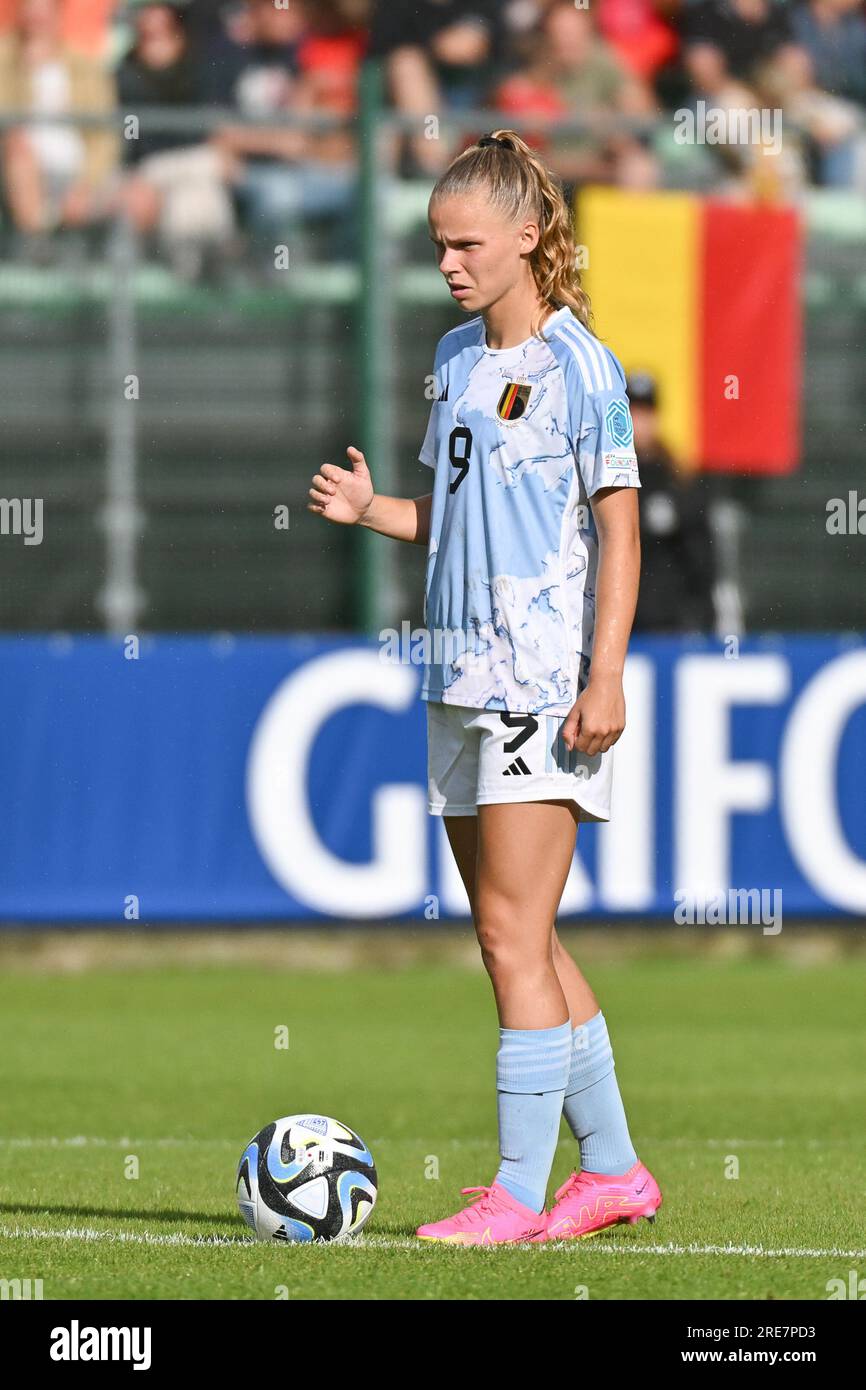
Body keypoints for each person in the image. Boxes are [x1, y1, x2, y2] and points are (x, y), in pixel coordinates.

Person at [308, 129, 663, 1245]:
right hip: (455, 675)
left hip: (540, 680)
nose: (450, 263)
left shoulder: (580, 367)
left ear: (527, 235)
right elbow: (451, 519)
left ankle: (514, 1191)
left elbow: (618, 530)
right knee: (522, 936)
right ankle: (609, 1171)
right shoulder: (458, 360)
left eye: (466, 244)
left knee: (514, 937)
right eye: (437, 245)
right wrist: (374, 512)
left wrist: (602, 676)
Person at [626, 372, 717, 634]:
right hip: (618, 623)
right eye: (633, 412)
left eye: (645, 413)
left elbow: (701, 558)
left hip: (668, 626)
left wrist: (702, 619)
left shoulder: (678, 482)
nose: (639, 422)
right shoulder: (602, 477)